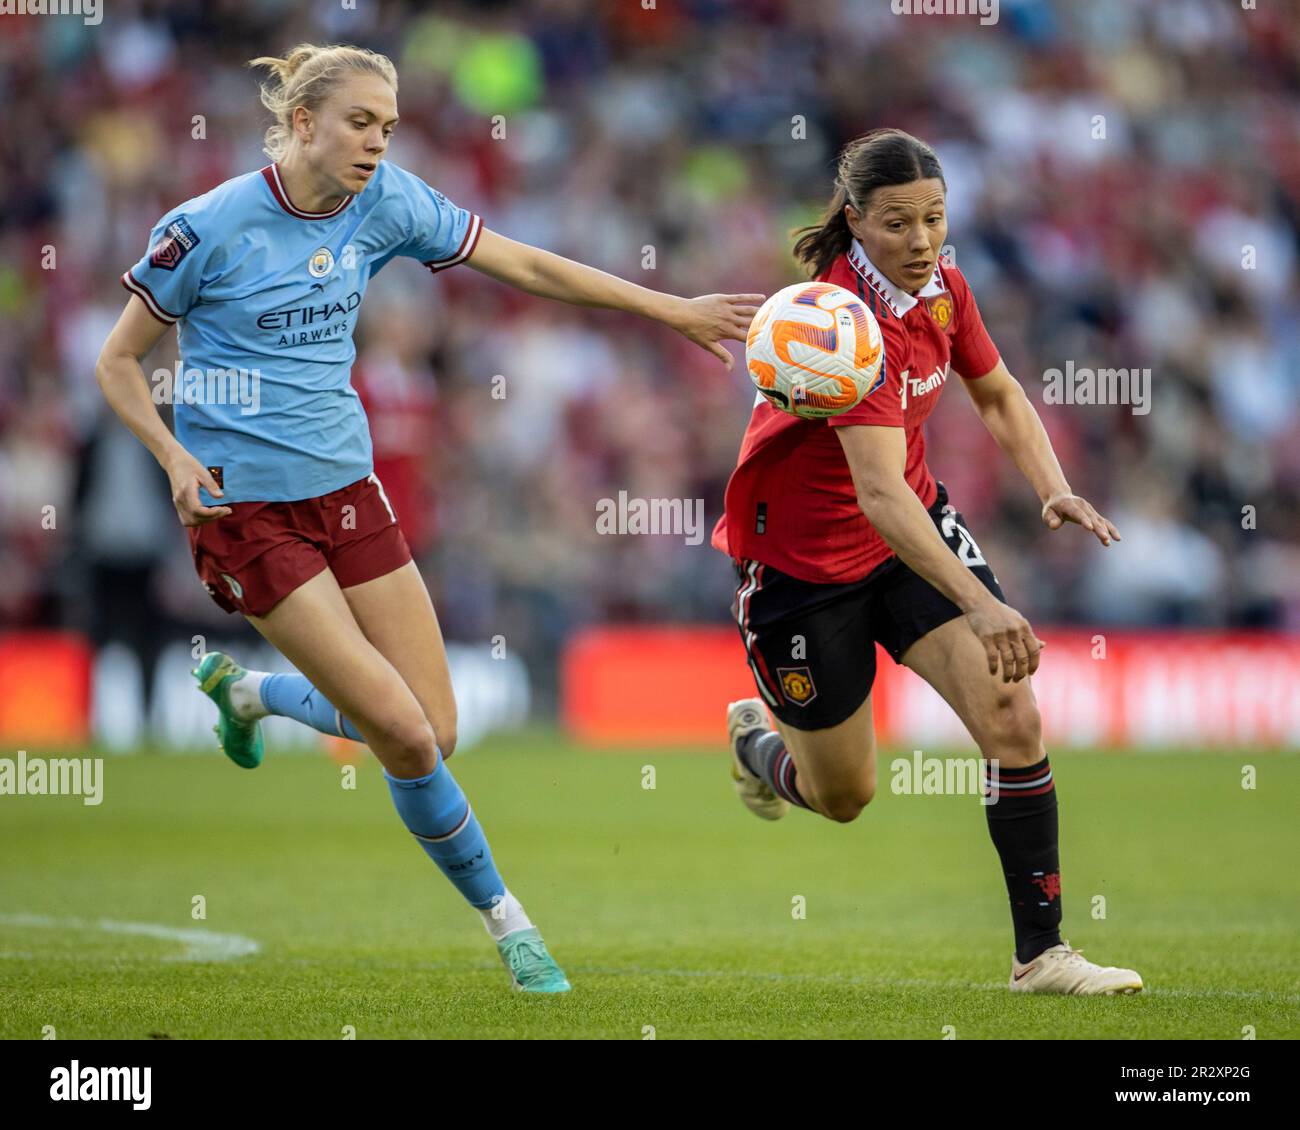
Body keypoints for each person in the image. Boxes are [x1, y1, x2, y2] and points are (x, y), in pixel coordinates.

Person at [95, 42, 763, 994]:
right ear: (301, 124)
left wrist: (670, 308)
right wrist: (172, 454)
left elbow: (522, 262)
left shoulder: (389, 203)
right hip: (245, 512)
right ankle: (512, 926)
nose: (376, 142)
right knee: (404, 737)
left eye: (388, 126)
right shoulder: (205, 228)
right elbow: (117, 363)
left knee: (432, 729)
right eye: (360, 122)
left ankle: (246, 695)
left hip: (349, 493)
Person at [713, 128, 1142, 995]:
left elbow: (997, 391)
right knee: (844, 795)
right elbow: (878, 494)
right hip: (803, 572)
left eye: (935, 219)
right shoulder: (841, 325)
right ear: (855, 222)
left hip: (907, 537)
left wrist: (1050, 485)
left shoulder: (944, 288)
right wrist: (984, 606)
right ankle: (759, 752)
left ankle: (1043, 956)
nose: (921, 241)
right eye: (899, 224)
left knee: (1013, 717)